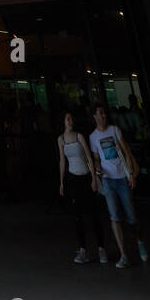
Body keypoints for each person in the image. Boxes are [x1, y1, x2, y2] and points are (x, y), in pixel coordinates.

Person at [89, 102, 148, 267]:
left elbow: (126, 150)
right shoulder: (93, 137)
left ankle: (140, 242)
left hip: (122, 177)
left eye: (104, 113)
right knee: (114, 217)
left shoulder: (114, 130)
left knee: (131, 216)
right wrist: (97, 168)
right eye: (100, 113)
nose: (103, 115)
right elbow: (95, 157)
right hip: (108, 180)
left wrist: (130, 173)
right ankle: (123, 254)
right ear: (95, 117)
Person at [58, 111, 106, 263]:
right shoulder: (61, 139)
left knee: (93, 213)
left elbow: (88, 157)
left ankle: (101, 248)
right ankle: (83, 249)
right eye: (67, 119)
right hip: (73, 178)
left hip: (85, 177)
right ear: (64, 122)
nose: (70, 121)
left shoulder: (79, 136)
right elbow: (62, 161)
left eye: (72, 118)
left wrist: (93, 178)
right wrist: (61, 182)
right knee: (77, 216)